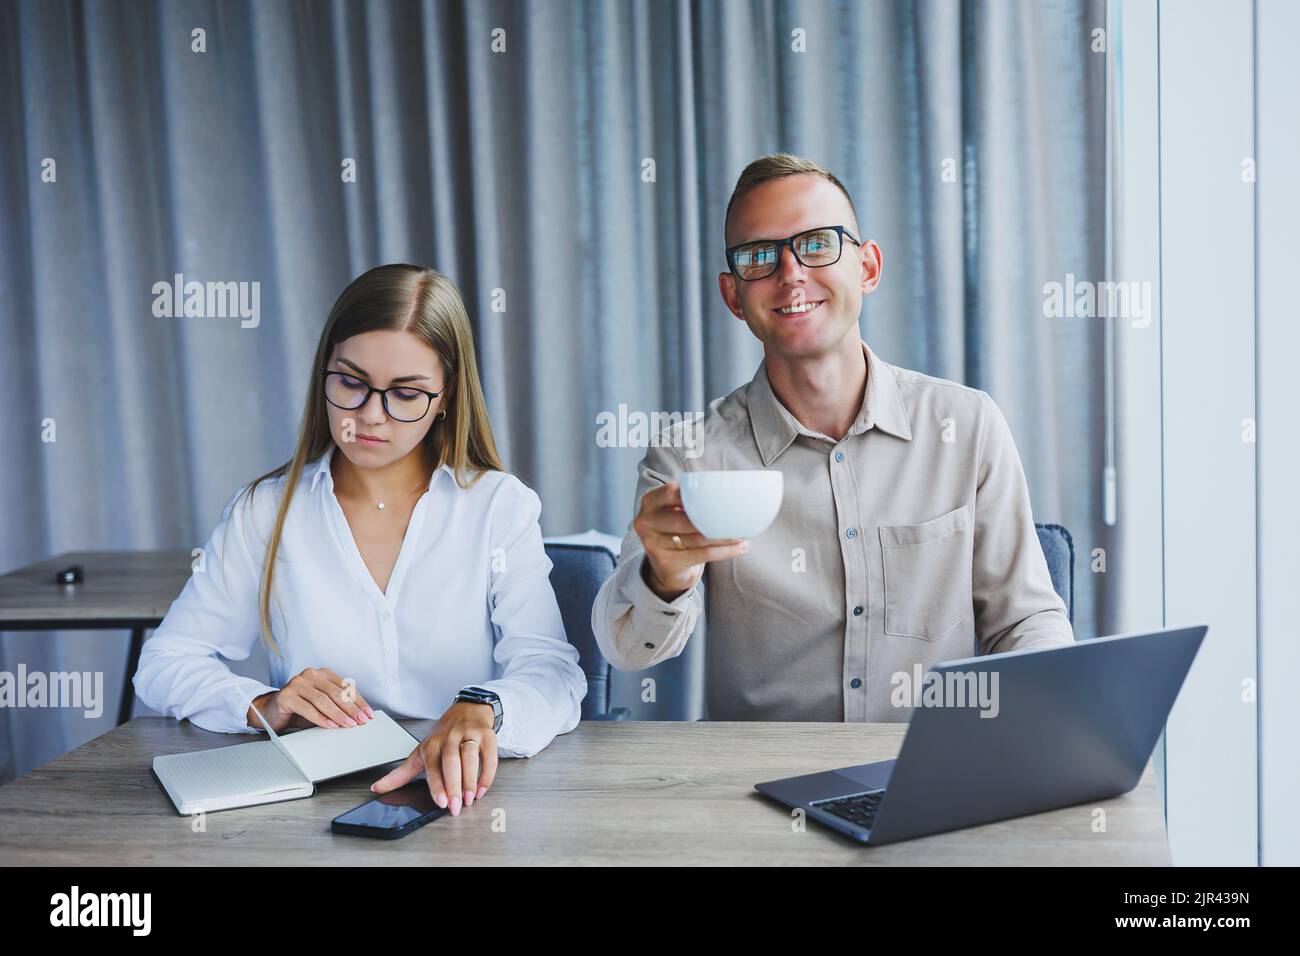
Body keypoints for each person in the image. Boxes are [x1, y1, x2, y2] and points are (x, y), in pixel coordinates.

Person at [591, 153, 1073, 721]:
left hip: (928, 777)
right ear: (733, 296)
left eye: (817, 243)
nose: (790, 273)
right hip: (756, 792)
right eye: (759, 257)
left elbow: (1024, 623)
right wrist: (664, 577)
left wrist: (1049, 725)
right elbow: (626, 650)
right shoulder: (688, 459)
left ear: (867, 267)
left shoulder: (966, 427)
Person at [135, 263, 585, 815]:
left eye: (406, 393)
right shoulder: (266, 510)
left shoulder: (498, 506)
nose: (369, 416)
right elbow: (164, 662)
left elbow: (555, 675)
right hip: (312, 807)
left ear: (446, 397)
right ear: (324, 372)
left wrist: (484, 706)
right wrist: (263, 704)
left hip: (467, 800)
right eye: (350, 383)